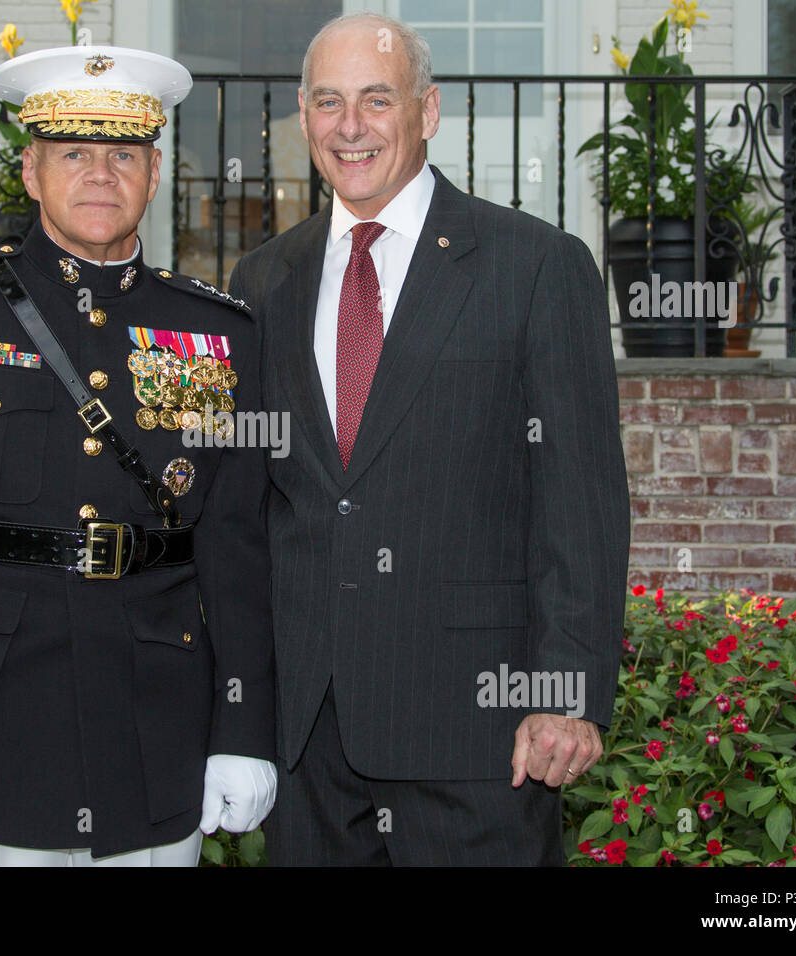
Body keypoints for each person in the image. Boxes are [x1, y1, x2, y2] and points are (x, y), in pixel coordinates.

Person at [0, 45, 276, 866]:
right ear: (30, 171)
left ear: (156, 170)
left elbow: (237, 546)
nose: (101, 174)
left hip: (153, 724)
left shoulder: (218, 334)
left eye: (123, 154)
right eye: (74, 153)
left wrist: (243, 727)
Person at [227, 12, 630, 865]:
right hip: (309, 749)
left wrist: (571, 693)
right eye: (329, 103)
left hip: (481, 742)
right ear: (303, 118)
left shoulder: (535, 266)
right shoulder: (263, 280)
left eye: (377, 100)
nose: (351, 126)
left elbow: (581, 498)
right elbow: (257, 509)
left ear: (428, 110)